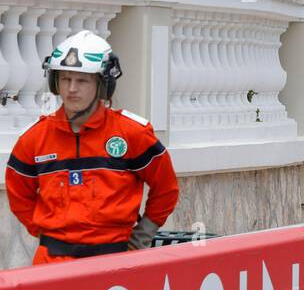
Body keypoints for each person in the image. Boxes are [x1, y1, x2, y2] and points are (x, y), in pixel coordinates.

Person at [5, 31, 179, 265]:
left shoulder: (133, 134)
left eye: (82, 80)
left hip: (115, 262)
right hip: (51, 262)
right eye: (65, 79)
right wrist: (46, 230)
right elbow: (18, 194)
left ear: (103, 84)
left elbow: (166, 189)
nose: (71, 89)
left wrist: (140, 238)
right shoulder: (34, 138)